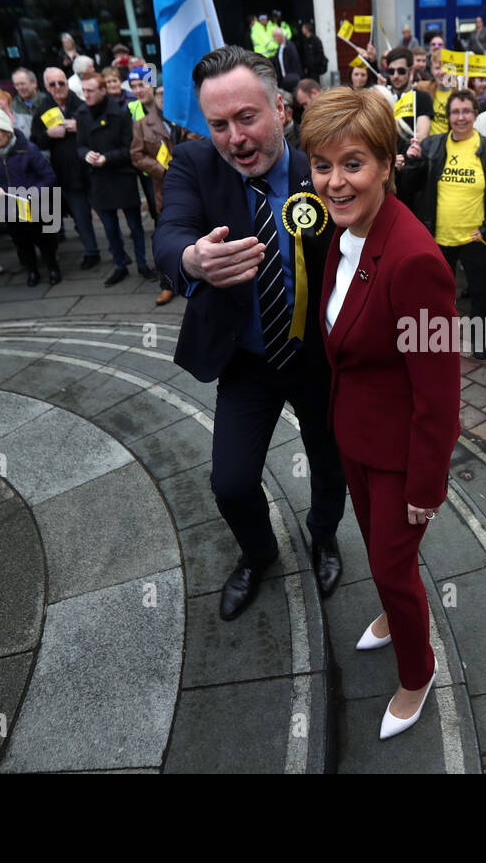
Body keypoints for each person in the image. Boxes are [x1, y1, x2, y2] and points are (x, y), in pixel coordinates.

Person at [152, 44, 345, 620]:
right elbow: (168, 235)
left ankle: (324, 536)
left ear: (280, 109)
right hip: (246, 356)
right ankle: (258, 554)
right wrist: (191, 261)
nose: (235, 138)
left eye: (247, 118)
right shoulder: (193, 164)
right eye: (219, 124)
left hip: (320, 353)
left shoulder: (324, 158)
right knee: (231, 481)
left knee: (330, 460)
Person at [301, 87, 459, 739]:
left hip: (400, 453)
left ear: (388, 164)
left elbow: (441, 390)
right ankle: (397, 616)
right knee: (379, 552)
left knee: (393, 567)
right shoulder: (341, 235)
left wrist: (426, 485)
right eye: (321, 164)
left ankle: (418, 671)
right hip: (356, 435)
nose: (334, 182)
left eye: (353, 163)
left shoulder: (416, 259)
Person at [398, 88, 486, 357]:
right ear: (447, 116)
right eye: (455, 112)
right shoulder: (432, 146)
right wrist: (412, 162)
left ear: (475, 113)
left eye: (466, 111)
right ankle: (435, 342)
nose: (461, 117)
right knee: (435, 293)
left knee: (481, 295)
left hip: (475, 238)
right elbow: (409, 190)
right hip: (437, 237)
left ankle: (483, 345)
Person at [129, 65, 201, 306]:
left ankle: (198, 277)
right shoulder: (142, 123)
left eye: (167, 92)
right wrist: (166, 171)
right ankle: (167, 283)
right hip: (165, 189)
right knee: (166, 237)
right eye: (159, 93)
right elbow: (137, 156)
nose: (163, 97)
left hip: (196, 187)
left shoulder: (191, 118)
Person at [77, 72, 153, 287]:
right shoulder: (82, 114)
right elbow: (80, 145)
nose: (86, 95)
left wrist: (106, 158)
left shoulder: (119, 114)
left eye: (90, 90)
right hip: (99, 180)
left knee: (135, 226)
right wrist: (86, 155)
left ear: (103, 91)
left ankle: (142, 263)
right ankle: (120, 265)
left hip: (121, 176)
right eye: (84, 91)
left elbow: (129, 148)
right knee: (110, 228)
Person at [0, 110, 61, 286]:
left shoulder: (29, 149)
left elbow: (48, 177)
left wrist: (32, 193)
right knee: (21, 241)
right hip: (9, 205)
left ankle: (53, 267)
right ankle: (32, 271)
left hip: (31, 204)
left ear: (7, 133)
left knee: (43, 238)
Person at [32, 67, 100, 269]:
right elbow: (35, 142)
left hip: (91, 169)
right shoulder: (42, 109)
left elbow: (99, 131)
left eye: (61, 83)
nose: (58, 87)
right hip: (66, 173)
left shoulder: (82, 104)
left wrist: (81, 127)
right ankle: (91, 251)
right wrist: (48, 135)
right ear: (46, 87)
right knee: (80, 216)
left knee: (106, 213)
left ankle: (118, 251)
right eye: (52, 84)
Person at [384, 47, 432, 142]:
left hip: (411, 154)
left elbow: (421, 136)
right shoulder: (383, 98)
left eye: (401, 71)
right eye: (391, 71)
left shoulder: (422, 97)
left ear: (411, 71)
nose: (395, 76)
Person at [9, 68, 55, 141]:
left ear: (34, 83)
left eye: (22, 84)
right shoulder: (12, 106)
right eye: (16, 85)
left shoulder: (48, 101)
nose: (20, 88)